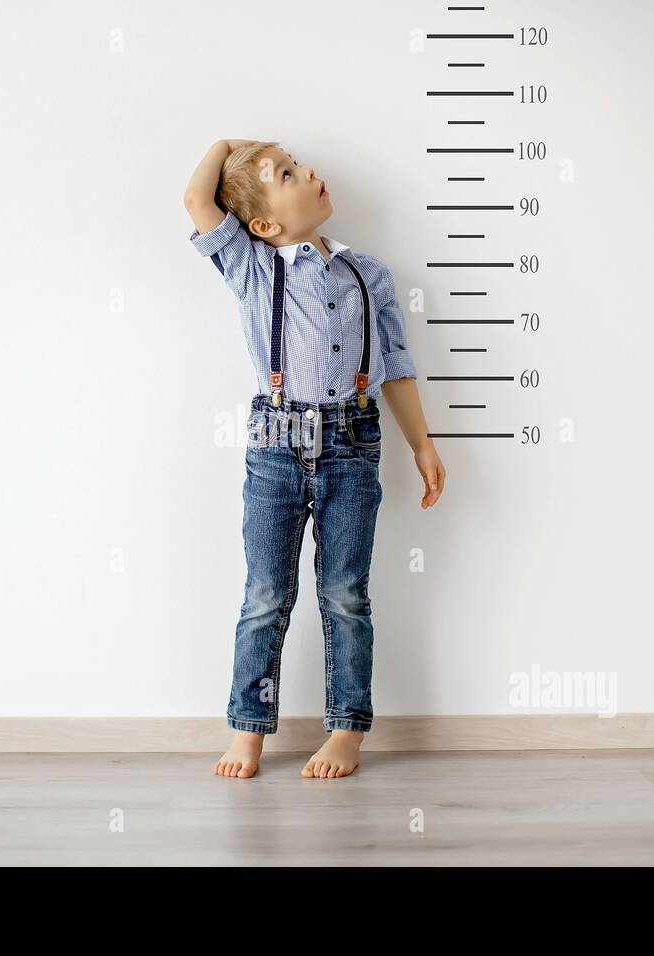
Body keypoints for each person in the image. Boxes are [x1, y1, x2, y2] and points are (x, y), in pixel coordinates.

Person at [184, 139, 447, 779]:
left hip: (353, 445)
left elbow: (397, 369)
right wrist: (228, 145)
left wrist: (422, 442)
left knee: (346, 593)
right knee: (266, 595)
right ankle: (248, 730)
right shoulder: (250, 266)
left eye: (298, 164)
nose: (309, 173)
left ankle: (346, 731)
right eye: (287, 173)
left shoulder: (370, 275)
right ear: (265, 224)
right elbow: (196, 199)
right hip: (275, 446)